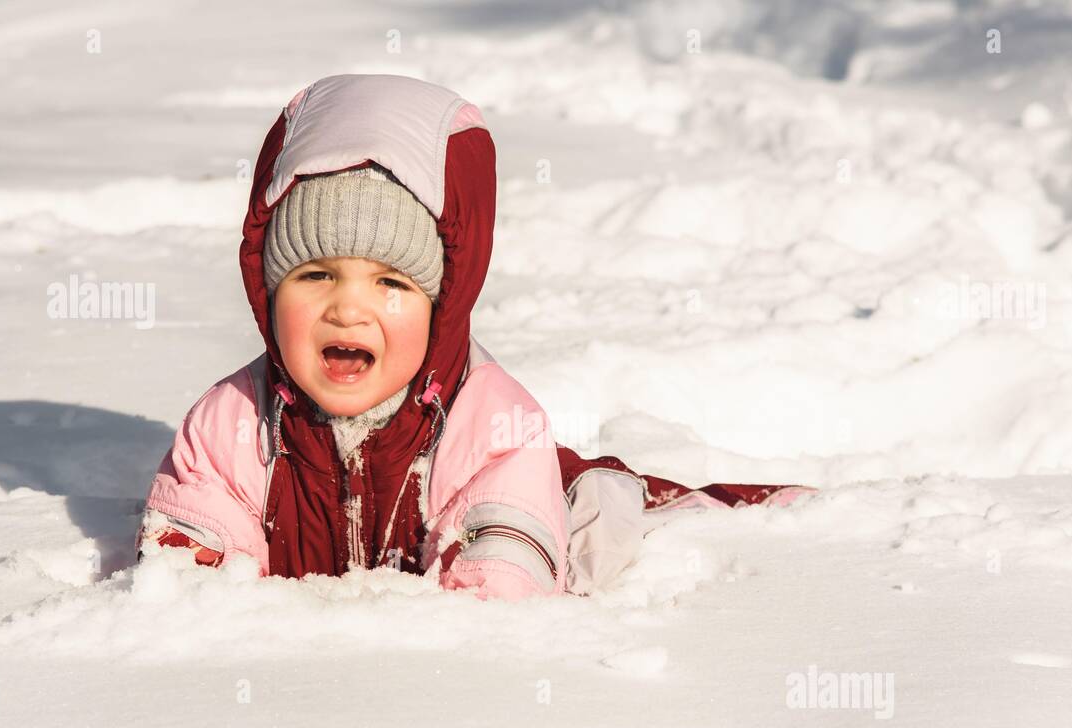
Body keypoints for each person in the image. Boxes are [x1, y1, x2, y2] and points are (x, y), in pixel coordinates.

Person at [137, 73, 815, 600]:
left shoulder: (495, 428)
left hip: (559, 507)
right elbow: (186, 570)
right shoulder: (229, 428)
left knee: (614, 516)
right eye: (315, 274)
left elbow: (498, 603)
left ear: (443, 302)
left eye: (391, 284)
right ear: (268, 287)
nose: (348, 309)